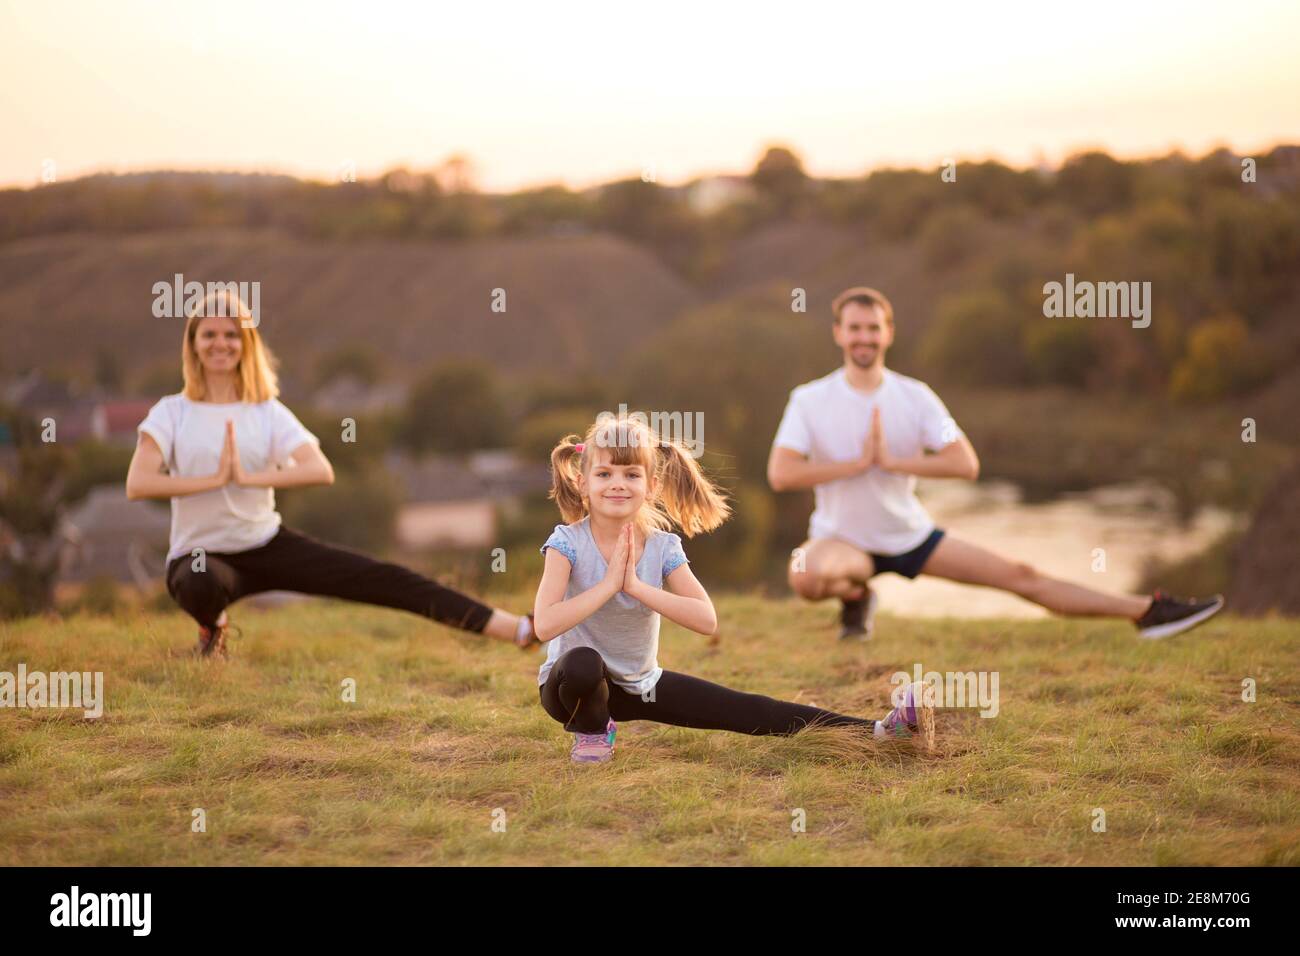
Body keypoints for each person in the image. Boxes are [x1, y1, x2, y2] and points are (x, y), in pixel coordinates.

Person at [767, 285, 1225, 641]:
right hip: (842, 541)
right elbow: (781, 473)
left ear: (888, 333)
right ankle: (856, 595)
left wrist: (895, 461)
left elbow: (964, 463)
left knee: (1022, 577)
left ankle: (1148, 611)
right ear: (838, 333)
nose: (863, 337)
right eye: (854, 328)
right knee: (804, 574)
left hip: (911, 536)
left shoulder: (917, 397)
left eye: (872, 328)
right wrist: (858, 464)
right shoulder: (809, 400)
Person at [125, 289, 538, 657]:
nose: (221, 343)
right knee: (198, 578)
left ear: (246, 344)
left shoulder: (266, 411)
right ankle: (211, 629)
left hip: (265, 543)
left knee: (387, 579)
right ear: (193, 345)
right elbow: (138, 483)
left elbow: (318, 470)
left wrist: (248, 478)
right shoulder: (172, 412)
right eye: (209, 334)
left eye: (231, 334)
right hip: (201, 553)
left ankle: (517, 629)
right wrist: (214, 480)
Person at [532, 416, 934, 764]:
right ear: (583, 483)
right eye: (604, 474)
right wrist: (607, 585)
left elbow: (706, 620)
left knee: (751, 709)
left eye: (631, 474)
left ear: (651, 485)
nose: (617, 485)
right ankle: (592, 734)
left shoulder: (661, 546)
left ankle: (885, 732)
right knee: (583, 661)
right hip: (570, 690)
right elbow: (545, 625)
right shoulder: (567, 542)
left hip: (640, 685)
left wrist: (635, 586)